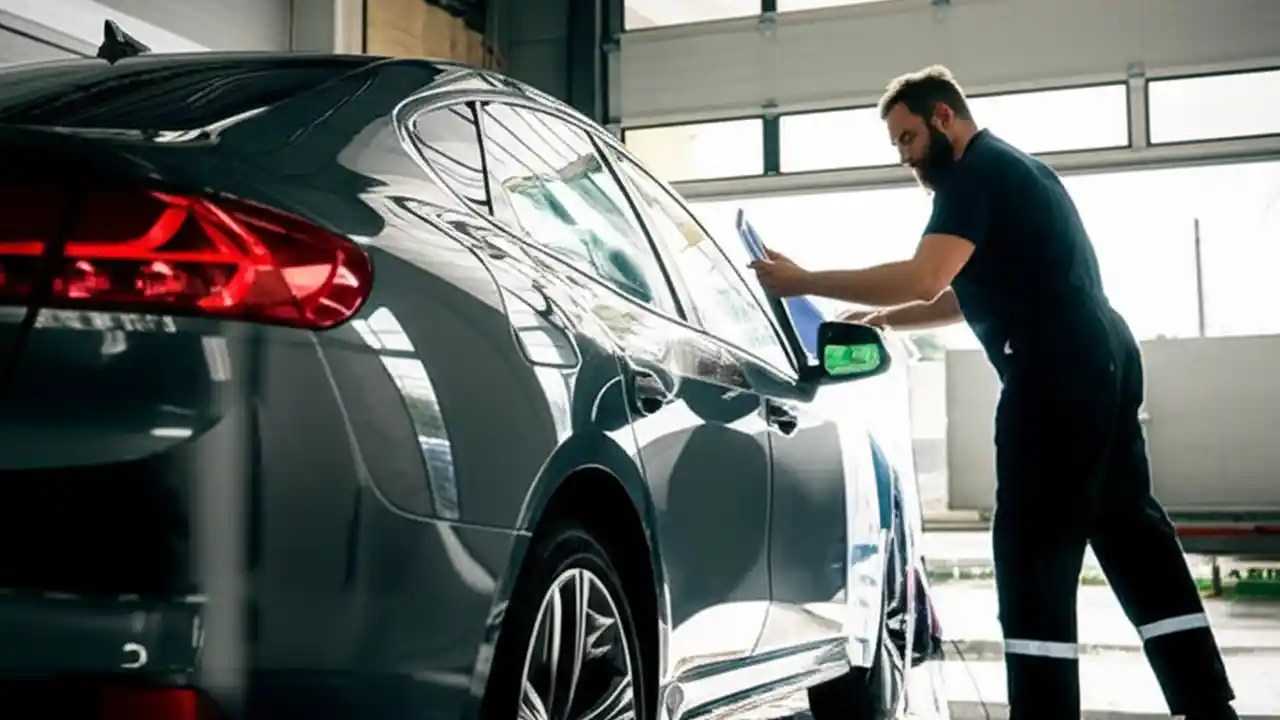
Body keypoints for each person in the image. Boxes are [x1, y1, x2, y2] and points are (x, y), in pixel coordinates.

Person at [748, 65, 1238, 720]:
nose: (904, 157)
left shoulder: (971, 176)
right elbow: (960, 292)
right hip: (1103, 359)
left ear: (943, 118)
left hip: (1053, 376)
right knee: (1129, 534)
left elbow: (924, 276)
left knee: (1032, 547)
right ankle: (1208, 704)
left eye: (906, 138)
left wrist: (805, 280)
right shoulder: (1019, 170)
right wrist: (886, 318)